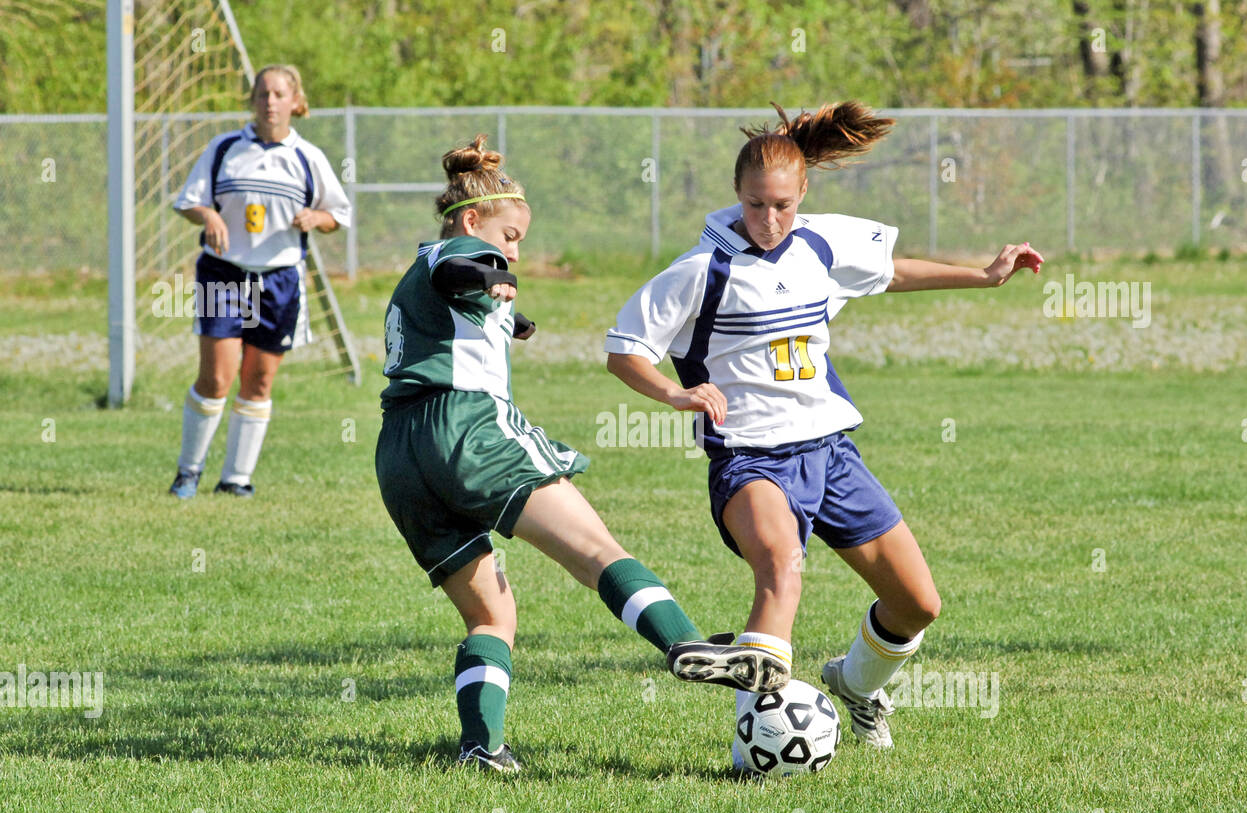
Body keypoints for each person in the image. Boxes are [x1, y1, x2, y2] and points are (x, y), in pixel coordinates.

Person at [605, 102, 1043, 757]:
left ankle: (854, 683)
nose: (770, 220)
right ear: (737, 196)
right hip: (750, 459)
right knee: (782, 564)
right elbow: (625, 349)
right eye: (757, 205)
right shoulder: (702, 271)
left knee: (918, 605)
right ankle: (755, 727)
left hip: (832, 453)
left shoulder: (819, 243)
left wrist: (983, 275)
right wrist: (675, 391)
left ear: (802, 192)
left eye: (782, 204)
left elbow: (891, 273)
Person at [374, 135, 791, 774]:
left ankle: (480, 749)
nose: (514, 250)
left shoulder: (416, 278)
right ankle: (685, 646)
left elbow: (447, 302)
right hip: (464, 430)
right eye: (509, 236)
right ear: (471, 219)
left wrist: (509, 318)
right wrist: (494, 274)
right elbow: (459, 270)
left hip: (401, 456)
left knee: (492, 612)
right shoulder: (458, 251)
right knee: (600, 553)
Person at [168, 64, 351, 498]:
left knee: (259, 380)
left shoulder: (308, 157)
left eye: (279, 94)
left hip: (281, 280)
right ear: (252, 100)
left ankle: (236, 479)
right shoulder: (225, 147)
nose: (270, 101)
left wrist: (317, 217)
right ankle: (187, 472)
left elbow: (338, 215)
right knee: (217, 377)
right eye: (262, 93)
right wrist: (209, 214)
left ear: (295, 103)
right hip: (225, 275)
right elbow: (188, 201)